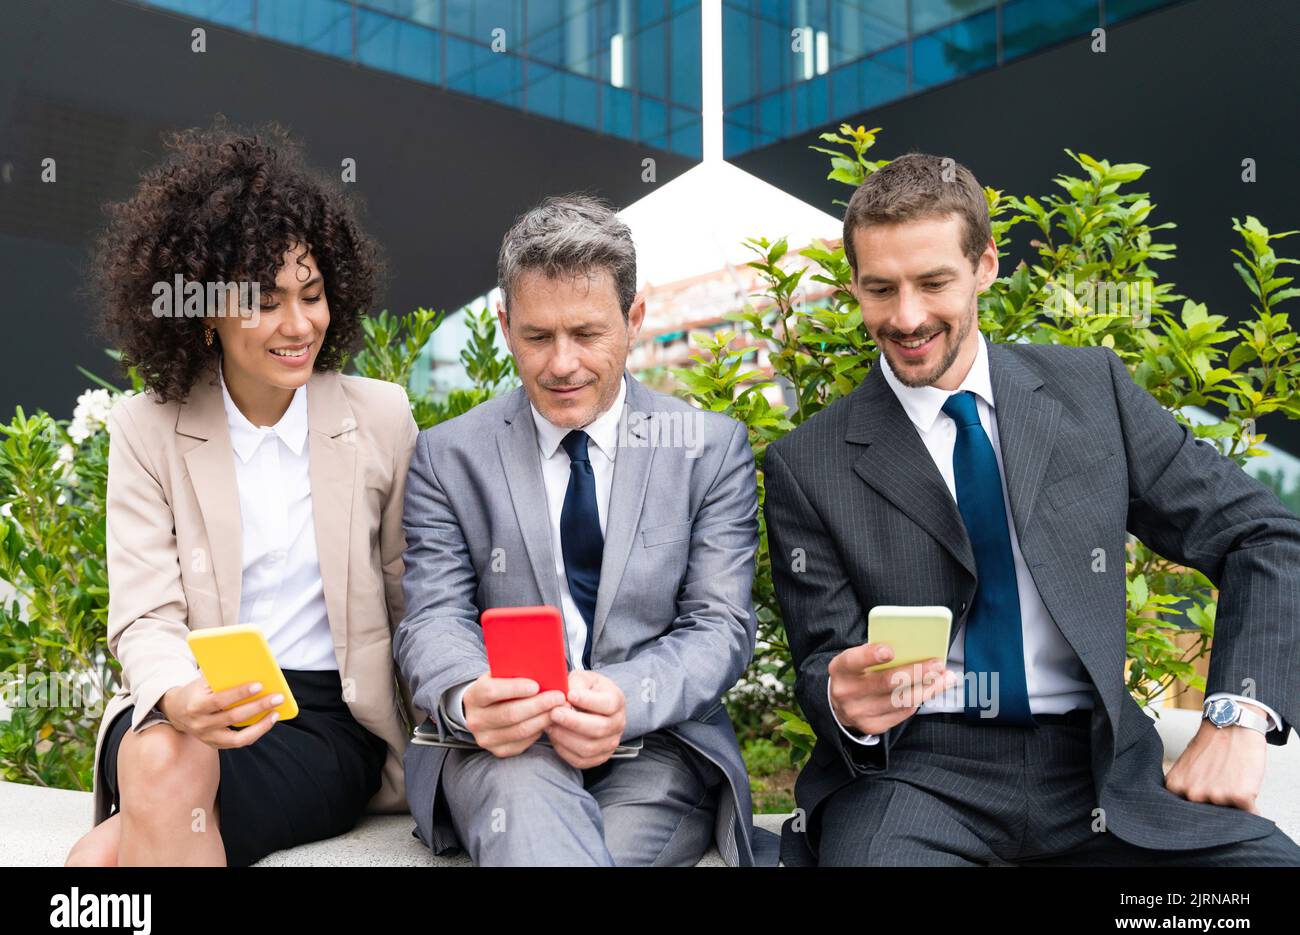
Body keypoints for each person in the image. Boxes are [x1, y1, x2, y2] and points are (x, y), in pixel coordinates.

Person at [763, 152, 1300, 866]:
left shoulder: (1093, 392)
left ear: (985, 264)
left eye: (933, 283)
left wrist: (1236, 716)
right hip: (917, 777)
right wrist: (842, 701)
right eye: (880, 289)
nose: (907, 316)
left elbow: (1262, 534)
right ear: (853, 284)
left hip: (1099, 772)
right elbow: (821, 662)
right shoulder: (806, 462)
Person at [64, 123, 418, 866]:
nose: (298, 325)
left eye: (312, 294)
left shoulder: (381, 418)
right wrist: (178, 696)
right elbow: (144, 614)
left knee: (101, 860)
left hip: (323, 720)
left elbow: (412, 595)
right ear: (204, 311)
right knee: (166, 754)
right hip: (185, 699)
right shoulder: (147, 427)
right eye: (263, 301)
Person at [395, 194, 777, 866]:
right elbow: (432, 618)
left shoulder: (708, 448)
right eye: (538, 337)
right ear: (506, 325)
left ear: (634, 320)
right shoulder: (447, 455)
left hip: (655, 744)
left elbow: (721, 626)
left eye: (586, 334)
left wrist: (626, 698)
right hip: (503, 747)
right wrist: (466, 695)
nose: (562, 364)